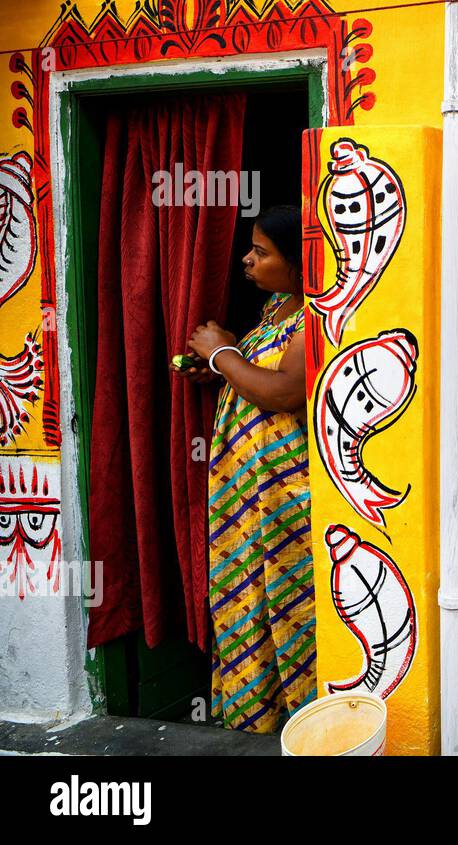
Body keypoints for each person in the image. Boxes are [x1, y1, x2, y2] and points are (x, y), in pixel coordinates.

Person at [176, 205, 316, 732]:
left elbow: (284, 391)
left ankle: (303, 726)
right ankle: (256, 720)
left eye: (261, 252)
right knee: (246, 599)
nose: (247, 259)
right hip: (243, 490)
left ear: (299, 264)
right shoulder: (278, 307)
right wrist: (219, 367)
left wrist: (222, 355)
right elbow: (258, 375)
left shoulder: (312, 318)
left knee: (288, 602)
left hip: (285, 493)